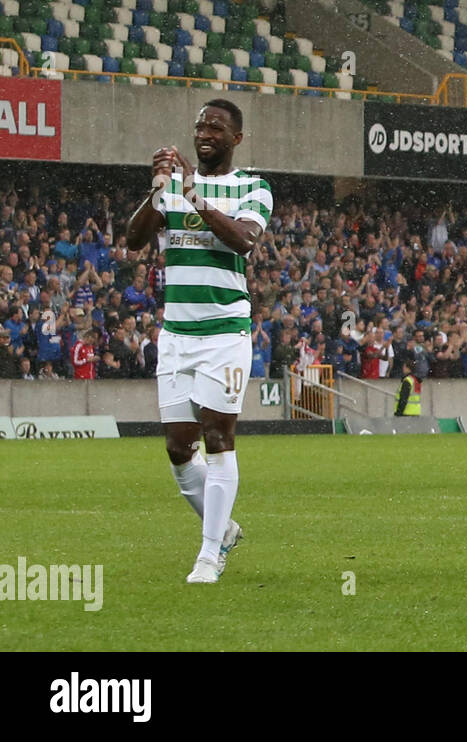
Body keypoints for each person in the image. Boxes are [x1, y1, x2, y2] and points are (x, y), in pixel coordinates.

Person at [124, 99, 272, 585]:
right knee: (177, 448)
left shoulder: (252, 187)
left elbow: (244, 241)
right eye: (200, 125)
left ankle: (209, 554)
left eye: (216, 126)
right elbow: (133, 239)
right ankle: (223, 528)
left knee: (218, 440)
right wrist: (158, 191)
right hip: (176, 335)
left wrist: (196, 196)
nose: (205, 132)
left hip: (225, 334)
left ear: (236, 139)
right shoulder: (173, 187)